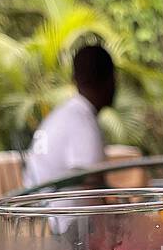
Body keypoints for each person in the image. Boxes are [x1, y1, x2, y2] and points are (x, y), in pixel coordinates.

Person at [23, 43, 115, 188]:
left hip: (40, 207)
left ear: (75, 79)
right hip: (59, 210)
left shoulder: (65, 114)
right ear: (110, 80)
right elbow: (93, 181)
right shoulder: (81, 121)